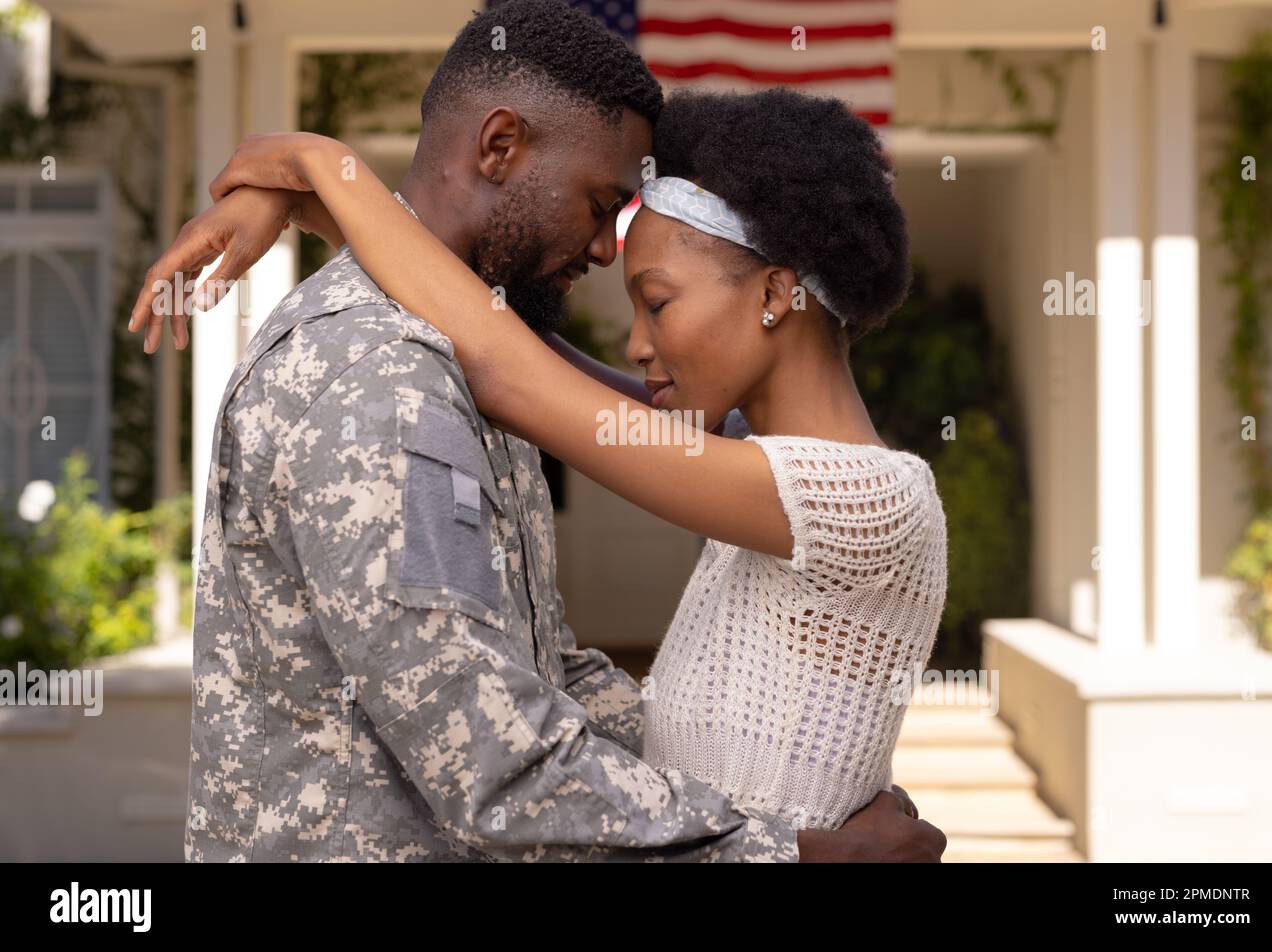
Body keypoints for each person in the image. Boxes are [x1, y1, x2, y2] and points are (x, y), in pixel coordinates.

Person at [131, 0, 945, 862]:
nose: (603, 253)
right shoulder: (382, 374)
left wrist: (317, 177)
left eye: (655, 297)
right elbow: (498, 761)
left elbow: (538, 668)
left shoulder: (827, 488)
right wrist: (800, 852)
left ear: (780, 293)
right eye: (602, 204)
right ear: (500, 145)